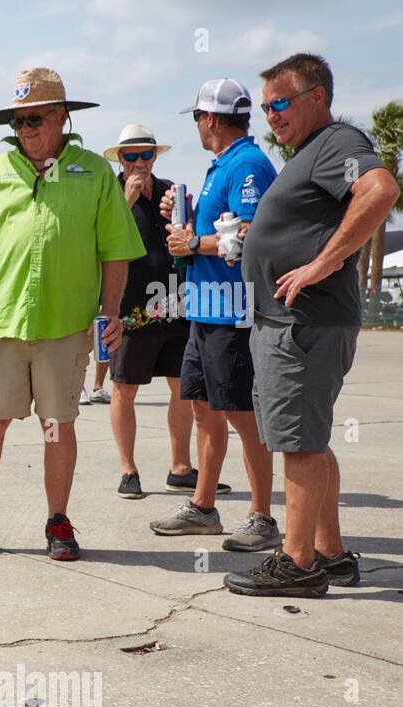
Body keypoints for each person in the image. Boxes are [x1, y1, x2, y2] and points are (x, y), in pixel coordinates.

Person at [224, 53, 399, 598]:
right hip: (292, 322)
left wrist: (323, 262)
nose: (271, 116)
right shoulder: (311, 154)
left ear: (316, 97)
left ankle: (298, 565)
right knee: (311, 440)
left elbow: (380, 190)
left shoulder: (336, 144)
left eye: (280, 103)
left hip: (303, 324)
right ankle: (330, 554)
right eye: (266, 107)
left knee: (299, 444)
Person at [0, 67, 143, 561]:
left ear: (62, 117)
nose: (26, 130)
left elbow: (115, 251)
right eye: (17, 122)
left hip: (65, 329)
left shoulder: (95, 173)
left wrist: (111, 313)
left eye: (35, 118)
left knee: (57, 425)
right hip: (5, 326)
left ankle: (58, 521)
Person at [149, 79, 279, 552]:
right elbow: (220, 228)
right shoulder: (223, 165)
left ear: (208, 119)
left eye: (197, 118)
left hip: (233, 314)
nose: (197, 127)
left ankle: (262, 516)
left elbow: (249, 234)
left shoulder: (247, 164)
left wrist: (192, 243)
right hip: (206, 312)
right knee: (202, 408)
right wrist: (181, 215)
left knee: (243, 416)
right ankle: (204, 508)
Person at [101, 123, 207, 500]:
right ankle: (128, 468)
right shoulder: (109, 194)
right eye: (131, 156)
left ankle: (180, 467)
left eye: (147, 154)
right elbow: (98, 240)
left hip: (176, 304)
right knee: (124, 388)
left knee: (183, 388)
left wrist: (184, 220)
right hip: (131, 310)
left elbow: (190, 237)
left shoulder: (171, 193)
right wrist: (125, 202)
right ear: (120, 159)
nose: (140, 163)